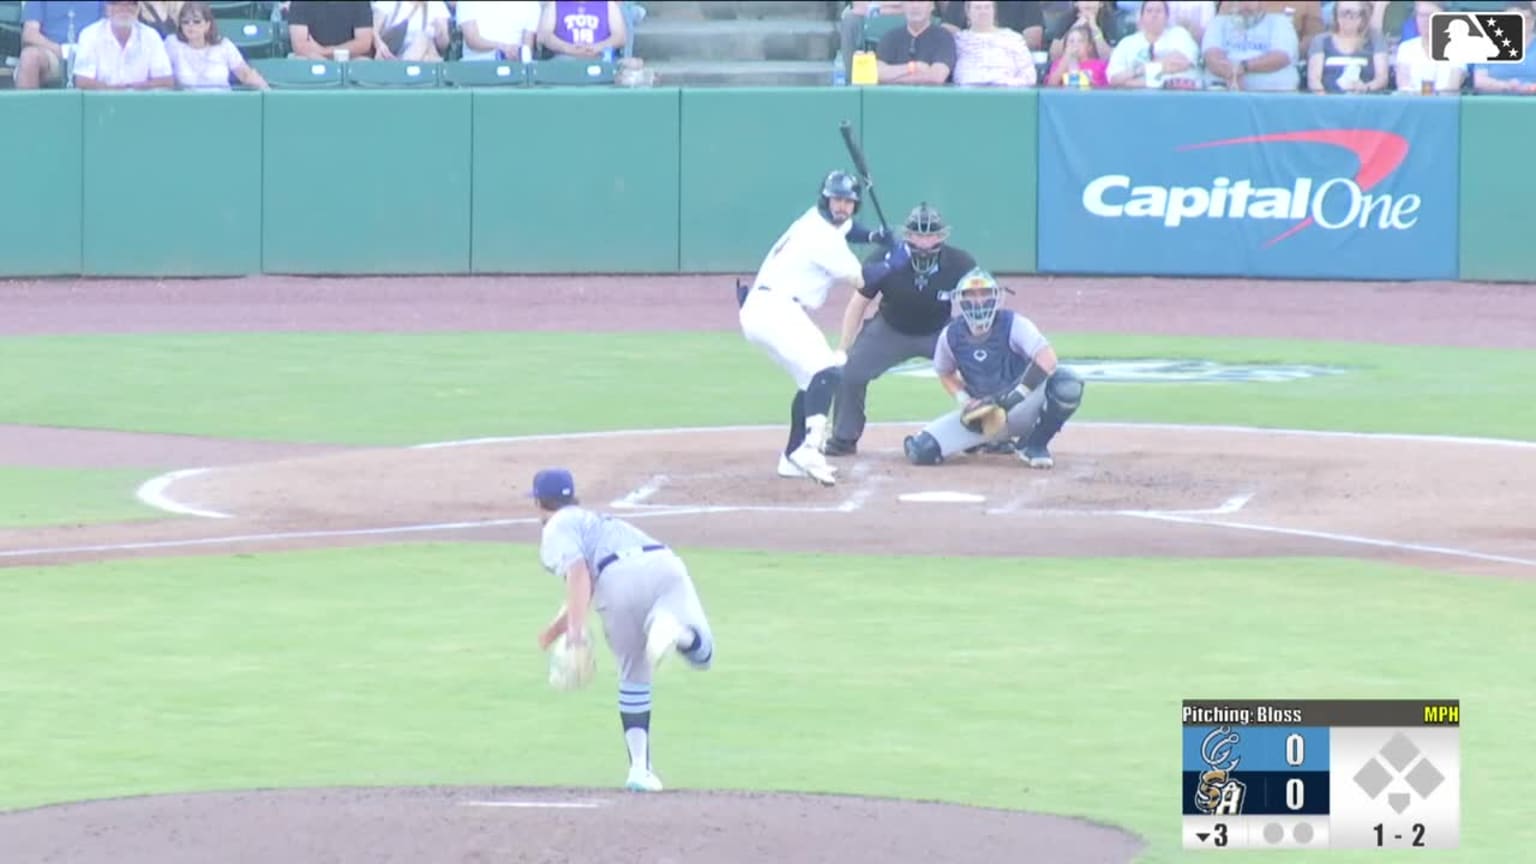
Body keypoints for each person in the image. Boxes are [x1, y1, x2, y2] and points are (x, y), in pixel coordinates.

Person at [531, 468, 715, 793]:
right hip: (661, 567)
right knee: (702, 655)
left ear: (537, 502)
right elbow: (582, 586)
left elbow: (578, 575)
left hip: (615, 582)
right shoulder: (594, 522)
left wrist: (574, 634)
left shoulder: (554, 529)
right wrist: (555, 630)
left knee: (634, 675)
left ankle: (640, 770)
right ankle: (674, 631)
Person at [736, 171, 887, 487]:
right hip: (775, 309)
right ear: (825, 198)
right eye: (837, 200)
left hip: (767, 309)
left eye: (848, 202)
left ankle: (791, 457)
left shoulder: (816, 221)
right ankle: (809, 448)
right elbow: (863, 280)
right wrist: (895, 259)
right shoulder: (822, 239)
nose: (842, 207)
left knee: (811, 382)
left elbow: (850, 230)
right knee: (828, 369)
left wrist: (874, 237)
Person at [825, 203, 977, 457]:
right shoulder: (885, 259)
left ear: (941, 236)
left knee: (980, 367)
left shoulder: (960, 263)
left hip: (939, 331)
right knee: (849, 372)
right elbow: (858, 304)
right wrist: (844, 346)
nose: (925, 241)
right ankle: (844, 437)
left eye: (930, 234)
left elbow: (979, 300)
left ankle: (982, 433)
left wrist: (975, 343)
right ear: (907, 235)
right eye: (918, 234)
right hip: (890, 328)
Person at [902, 269, 1085, 469]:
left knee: (1067, 384)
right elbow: (945, 372)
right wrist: (965, 401)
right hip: (985, 416)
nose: (978, 302)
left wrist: (1014, 397)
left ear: (996, 296)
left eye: (984, 294)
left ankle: (1034, 443)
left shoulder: (1014, 324)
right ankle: (988, 441)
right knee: (922, 450)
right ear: (960, 300)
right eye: (971, 295)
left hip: (1022, 407)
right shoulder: (951, 336)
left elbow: (1048, 359)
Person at [70, 0, 174, 90]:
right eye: (118, 4)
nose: (124, 9)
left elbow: (166, 81)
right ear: (108, 9)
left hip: (141, 102)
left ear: (138, 9)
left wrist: (131, 89)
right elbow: (83, 82)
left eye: (130, 4)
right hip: (101, 104)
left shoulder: (151, 36)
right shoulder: (90, 34)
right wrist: (115, 91)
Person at [165, 2, 269, 90]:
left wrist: (268, 92)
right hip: (184, 106)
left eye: (197, 21)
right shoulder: (172, 44)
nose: (190, 25)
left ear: (207, 25)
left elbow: (245, 74)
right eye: (185, 22)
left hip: (221, 104)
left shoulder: (224, 45)